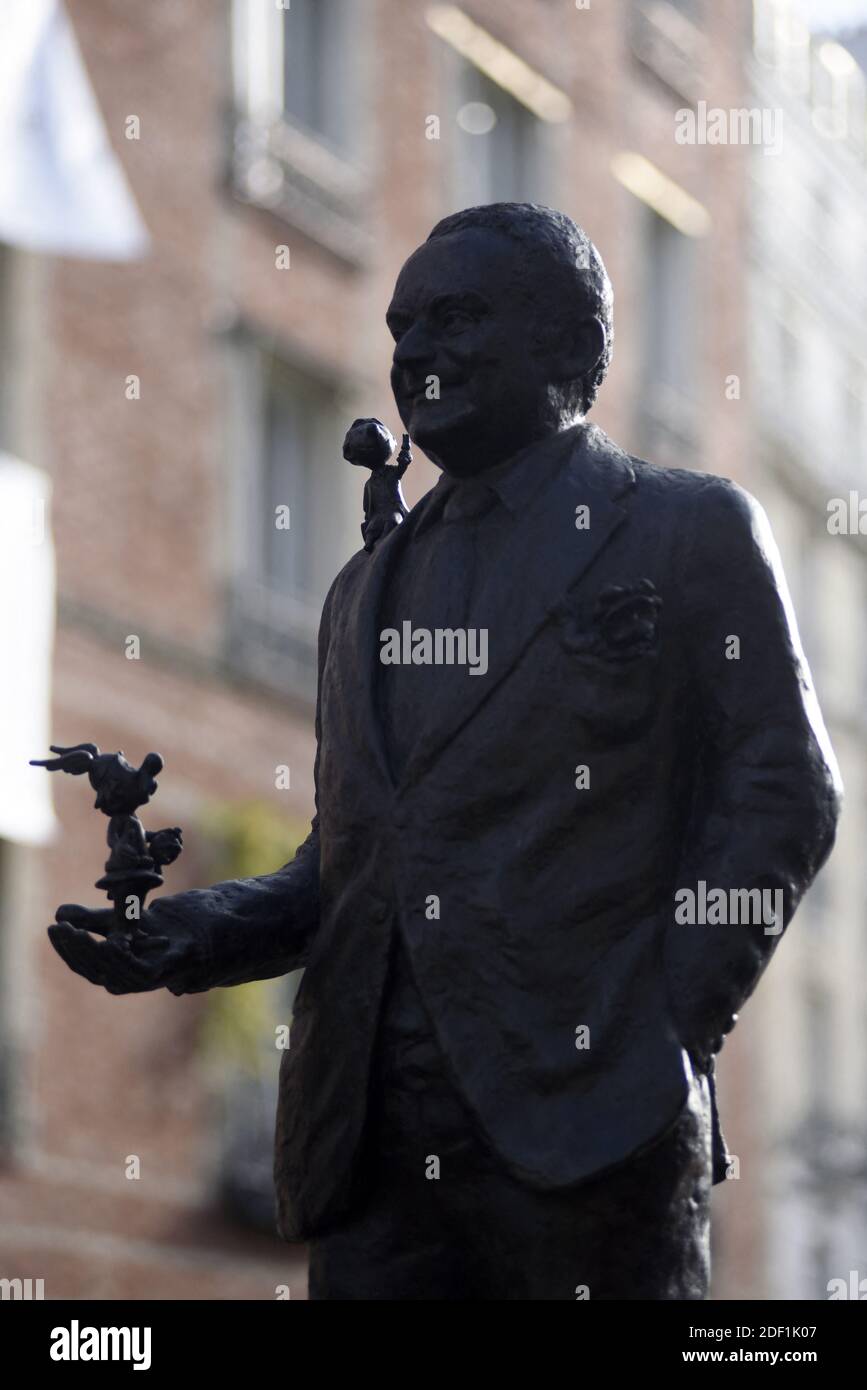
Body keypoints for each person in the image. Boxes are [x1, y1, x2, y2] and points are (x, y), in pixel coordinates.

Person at [49, 202, 842, 1300]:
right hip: (373, 1151)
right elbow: (353, 863)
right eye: (401, 327)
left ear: (566, 343)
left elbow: (785, 791)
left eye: (456, 318)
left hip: (590, 1138)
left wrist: (662, 1020)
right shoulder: (361, 594)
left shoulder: (688, 529)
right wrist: (189, 929)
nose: (415, 352)